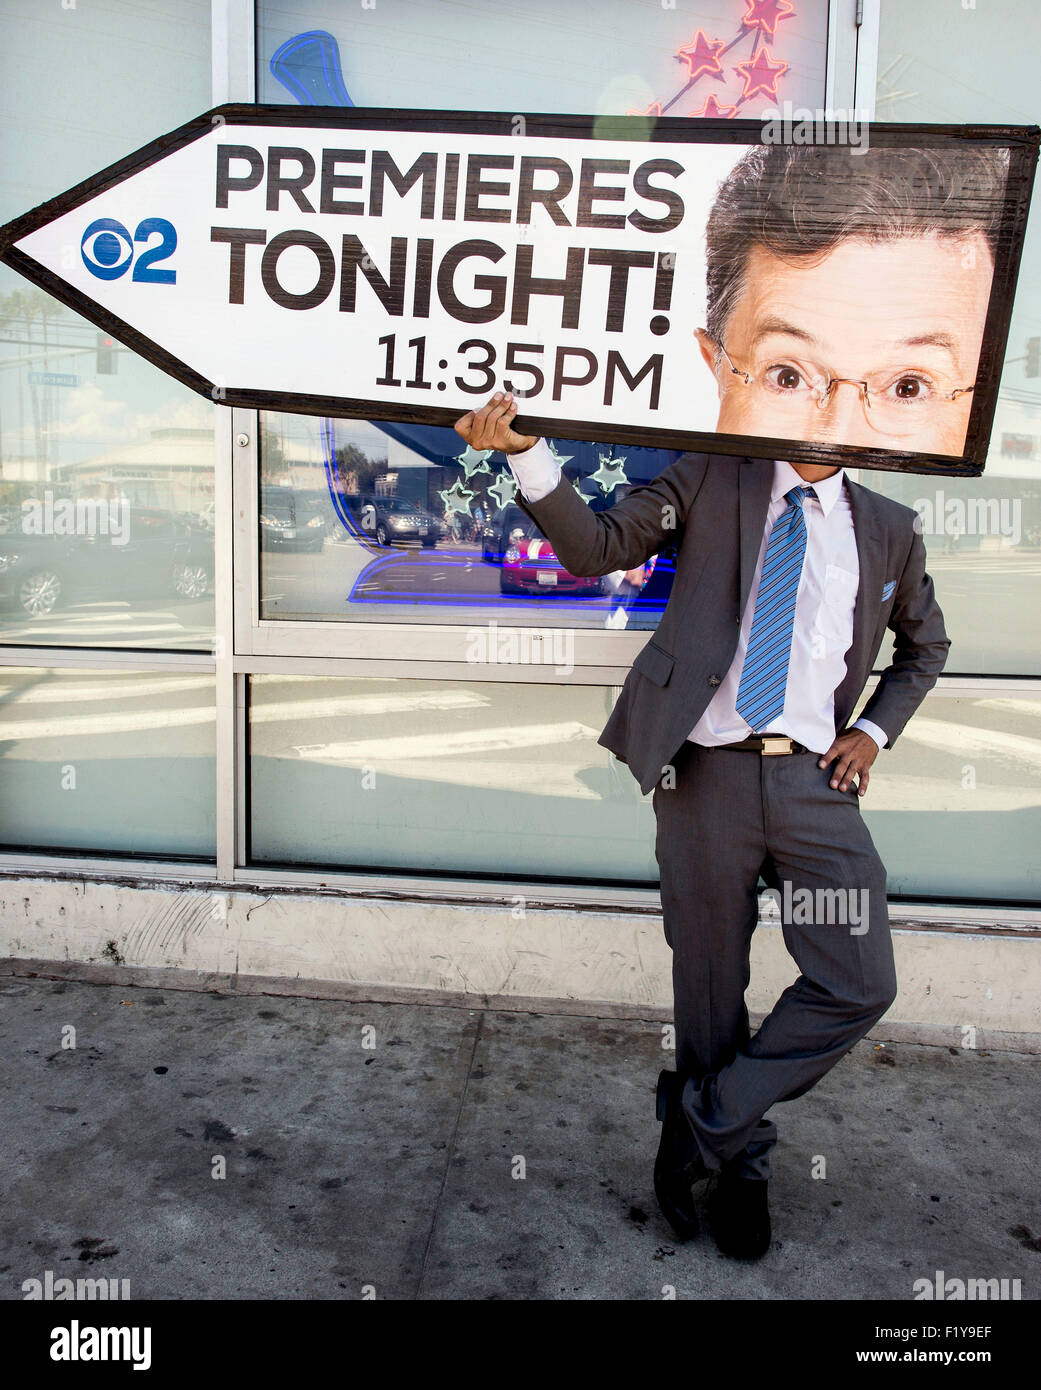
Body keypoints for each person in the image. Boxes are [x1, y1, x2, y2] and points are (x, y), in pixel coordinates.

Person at [452, 142, 969, 1261]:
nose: (831, 396)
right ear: (740, 365)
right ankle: (736, 1173)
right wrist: (529, 455)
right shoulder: (708, 474)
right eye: (795, 367)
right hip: (710, 782)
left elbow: (924, 649)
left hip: (817, 791)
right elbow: (593, 546)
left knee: (855, 976)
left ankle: (704, 1120)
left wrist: (874, 731)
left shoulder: (887, 526)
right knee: (710, 992)